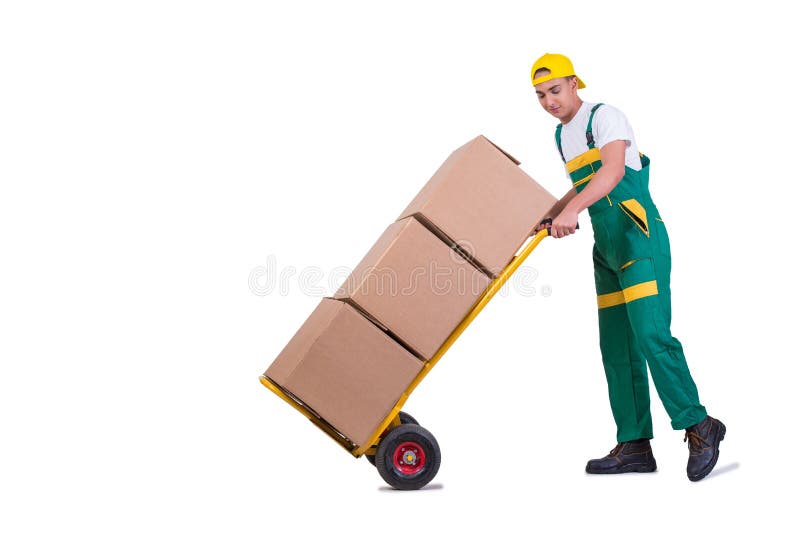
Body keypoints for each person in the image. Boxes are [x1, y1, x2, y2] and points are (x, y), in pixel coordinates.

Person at [529, 53, 725, 481]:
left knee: (652, 335)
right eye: (541, 95)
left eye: (555, 90)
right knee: (616, 345)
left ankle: (699, 425)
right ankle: (634, 443)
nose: (549, 101)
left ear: (575, 83)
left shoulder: (605, 116)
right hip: (608, 248)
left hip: (638, 237)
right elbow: (581, 185)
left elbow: (613, 171)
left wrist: (573, 210)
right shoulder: (562, 135)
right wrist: (547, 214)